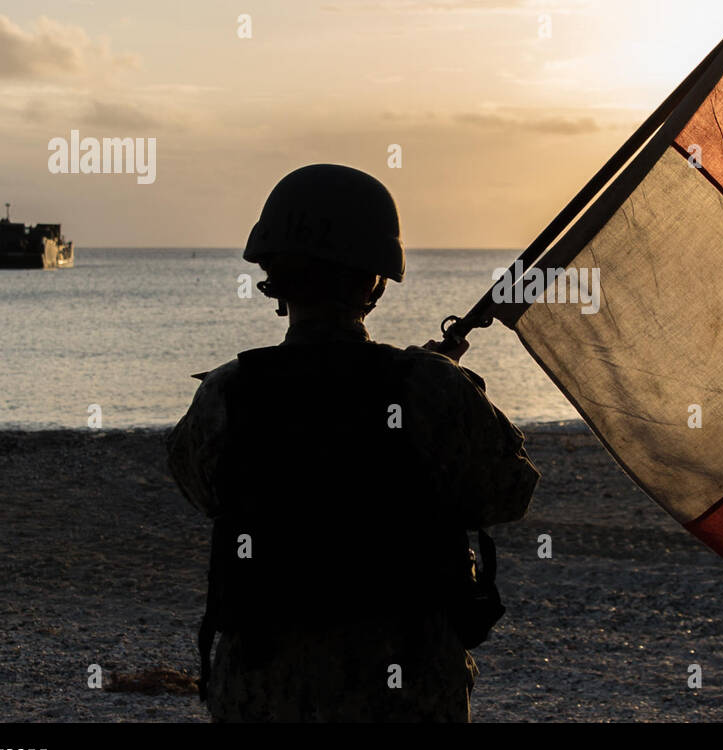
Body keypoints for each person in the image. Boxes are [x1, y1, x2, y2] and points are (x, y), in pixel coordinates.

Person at [166, 164, 539, 722]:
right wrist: (446, 392)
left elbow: (205, 492)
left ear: (273, 274)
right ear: (375, 280)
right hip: (405, 680)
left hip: (266, 682)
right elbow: (506, 494)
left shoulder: (228, 391)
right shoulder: (430, 387)